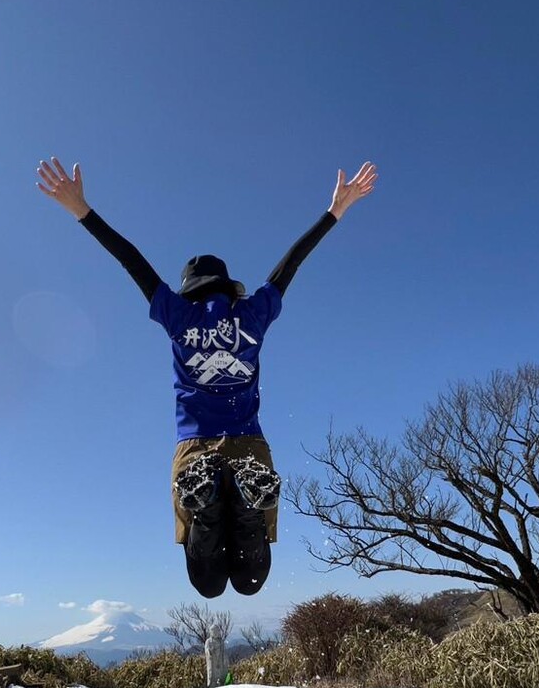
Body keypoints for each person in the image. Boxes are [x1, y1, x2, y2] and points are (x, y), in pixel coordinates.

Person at [36, 156, 377, 598]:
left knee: (209, 584)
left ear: (190, 289)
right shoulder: (252, 314)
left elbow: (132, 262)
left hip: (194, 446)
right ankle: (247, 509)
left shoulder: (178, 315)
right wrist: (334, 213)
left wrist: (82, 211)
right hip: (249, 443)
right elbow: (288, 266)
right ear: (227, 284)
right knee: (251, 581)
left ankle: (209, 507)